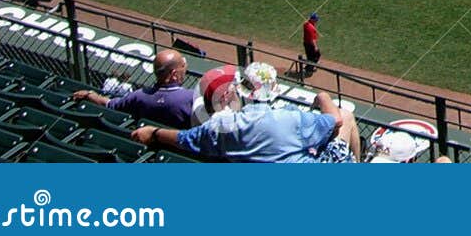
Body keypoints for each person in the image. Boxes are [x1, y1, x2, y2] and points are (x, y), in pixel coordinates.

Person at [132, 62, 361, 163]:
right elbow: (336, 119)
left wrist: (153, 132)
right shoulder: (289, 116)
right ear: (274, 91)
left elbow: (184, 138)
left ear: (242, 90)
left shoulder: (223, 125)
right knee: (347, 116)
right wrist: (322, 96)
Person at [72, 49, 196, 129]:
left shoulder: (139, 96)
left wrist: (89, 94)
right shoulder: (191, 98)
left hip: (143, 149)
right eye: (183, 66)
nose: (185, 70)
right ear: (174, 73)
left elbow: (110, 104)